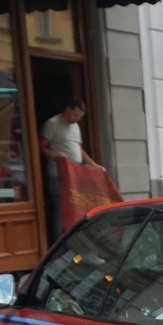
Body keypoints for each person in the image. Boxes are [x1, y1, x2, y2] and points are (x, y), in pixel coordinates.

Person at [40, 98, 98, 239]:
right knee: (60, 212)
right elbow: (40, 147)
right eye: (76, 115)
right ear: (67, 109)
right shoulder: (52, 124)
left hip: (74, 175)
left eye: (80, 116)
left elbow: (79, 149)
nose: (77, 119)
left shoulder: (75, 126)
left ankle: (74, 243)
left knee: (75, 210)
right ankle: (59, 246)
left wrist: (93, 165)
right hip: (57, 176)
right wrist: (55, 155)